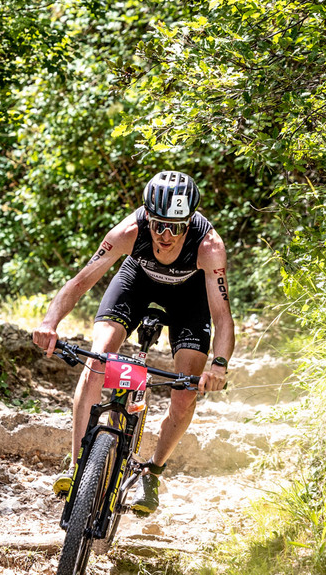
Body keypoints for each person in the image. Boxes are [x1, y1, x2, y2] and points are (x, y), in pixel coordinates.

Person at [31, 170, 235, 515]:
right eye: (158, 225)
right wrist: (50, 322)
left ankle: (152, 472)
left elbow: (222, 316)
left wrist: (219, 365)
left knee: (185, 395)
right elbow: (82, 281)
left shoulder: (209, 247)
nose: (166, 235)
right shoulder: (129, 232)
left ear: (190, 222)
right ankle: (79, 463)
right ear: (147, 217)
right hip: (136, 283)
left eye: (177, 226)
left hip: (189, 298)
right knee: (97, 360)